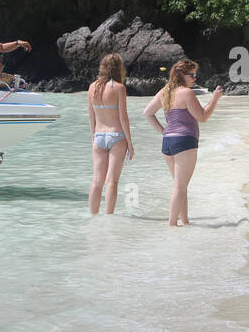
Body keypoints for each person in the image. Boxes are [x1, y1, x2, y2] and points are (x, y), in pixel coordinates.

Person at [143, 59, 222, 227]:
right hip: (185, 141)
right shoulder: (186, 93)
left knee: (181, 185)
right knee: (179, 187)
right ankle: (172, 224)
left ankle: (185, 222)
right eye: (191, 75)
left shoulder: (165, 92)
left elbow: (148, 113)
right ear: (181, 75)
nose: (194, 78)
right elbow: (202, 117)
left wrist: (163, 131)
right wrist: (214, 99)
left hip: (168, 142)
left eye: (195, 75)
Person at [87, 53, 134, 215]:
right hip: (116, 136)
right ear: (119, 68)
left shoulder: (92, 87)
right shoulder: (119, 88)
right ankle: (108, 219)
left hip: (98, 136)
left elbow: (91, 116)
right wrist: (130, 143)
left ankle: (93, 217)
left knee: (96, 181)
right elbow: (123, 118)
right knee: (112, 182)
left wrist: (94, 137)